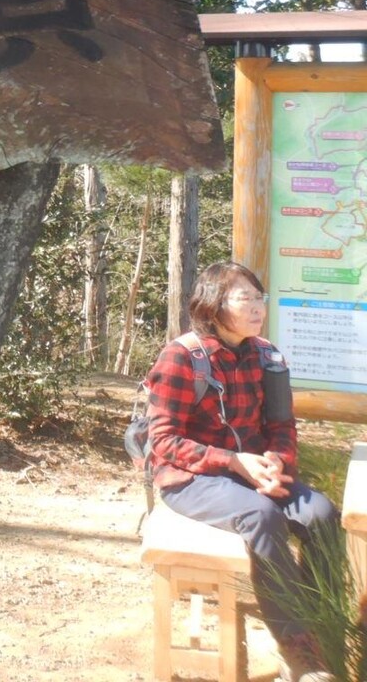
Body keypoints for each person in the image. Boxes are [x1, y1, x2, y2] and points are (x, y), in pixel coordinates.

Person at [146, 260, 340, 682]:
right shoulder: (182, 357)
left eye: (259, 298)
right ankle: (300, 650)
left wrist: (277, 462)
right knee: (261, 516)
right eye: (244, 298)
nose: (256, 307)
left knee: (322, 514)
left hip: (254, 472)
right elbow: (163, 443)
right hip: (192, 478)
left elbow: (281, 426)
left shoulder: (268, 354)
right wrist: (232, 461)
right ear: (214, 305)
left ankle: (325, 627)